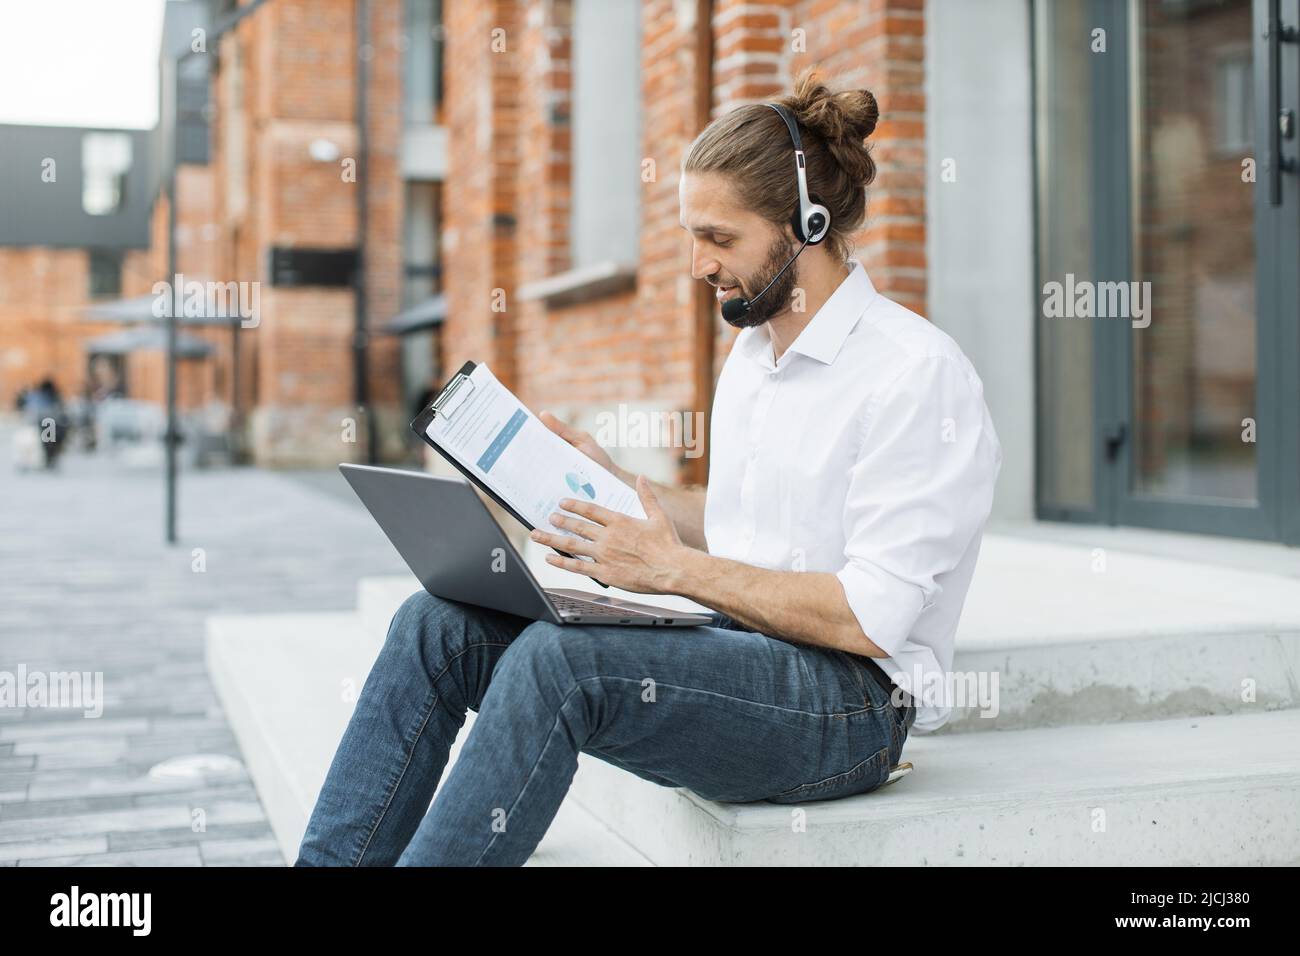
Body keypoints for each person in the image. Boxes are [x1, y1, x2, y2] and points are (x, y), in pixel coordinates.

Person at [295, 68, 1002, 867]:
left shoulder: (916, 375)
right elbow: (745, 525)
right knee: (437, 627)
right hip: (738, 648)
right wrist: (615, 486)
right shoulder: (755, 354)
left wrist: (670, 572)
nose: (699, 264)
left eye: (721, 238)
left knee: (560, 665)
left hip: (851, 709)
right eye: (692, 236)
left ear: (805, 224)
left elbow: (870, 618)